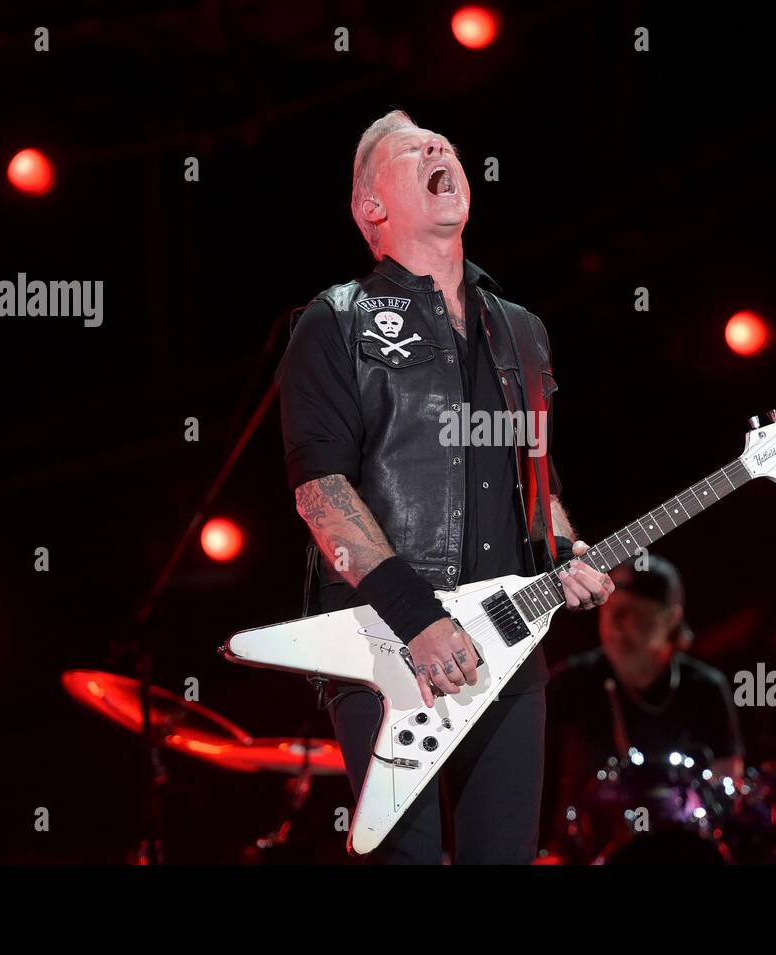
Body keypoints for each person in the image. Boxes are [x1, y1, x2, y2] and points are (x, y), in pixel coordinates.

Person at [276, 109, 614, 863]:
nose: (438, 146)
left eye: (446, 143)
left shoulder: (520, 328)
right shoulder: (336, 320)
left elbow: (538, 477)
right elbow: (321, 492)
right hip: (388, 640)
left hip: (509, 643)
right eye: (409, 148)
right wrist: (418, 618)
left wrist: (564, 549)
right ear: (371, 206)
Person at [546, 554, 743, 852]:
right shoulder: (570, 682)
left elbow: (728, 782)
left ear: (670, 617)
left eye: (631, 612)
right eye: (609, 609)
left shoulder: (705, 688)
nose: (616, 623)